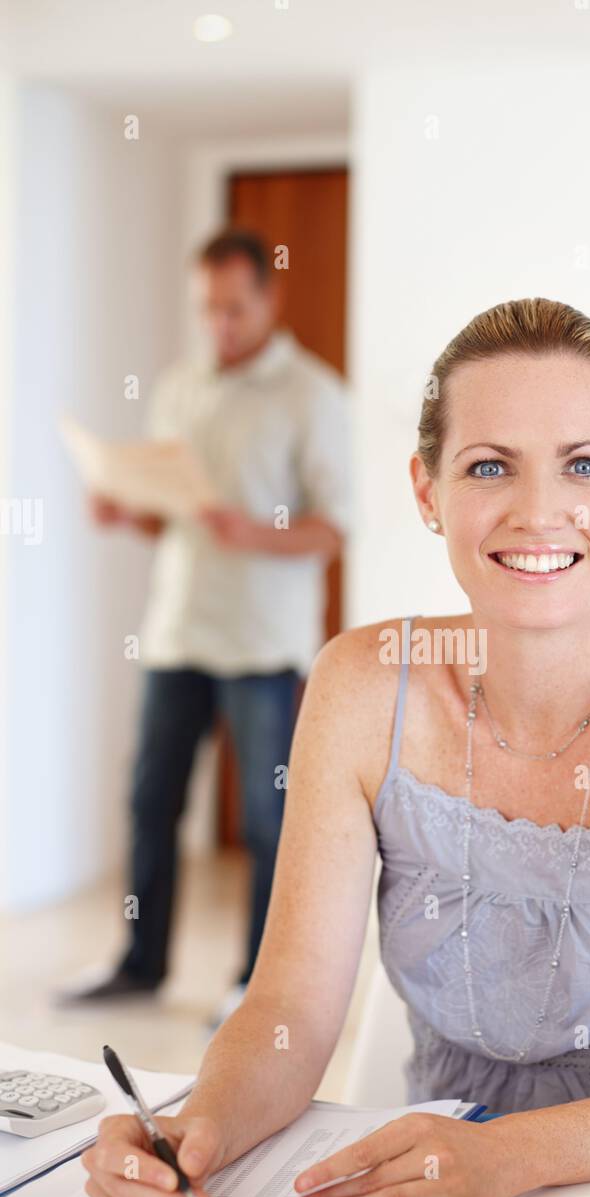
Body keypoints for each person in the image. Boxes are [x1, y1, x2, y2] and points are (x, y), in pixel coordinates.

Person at [82, 297, 590, 1197]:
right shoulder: (358, 686)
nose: (539, 511)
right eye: (488, 467)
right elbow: (289, 1011)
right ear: (428, 492)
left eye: (585, 465)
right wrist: (196, 1132)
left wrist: (506, 1157)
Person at [60, 228, 352, 1025]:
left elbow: (335, 527)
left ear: (269, 297)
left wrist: (254, 531)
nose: (219, 324)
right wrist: (128, 511)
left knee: (267, 821)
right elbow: (171, 519)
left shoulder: (313, 396)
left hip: (264, 645)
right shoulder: (179, 387)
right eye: (206, 309)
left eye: (233, 307)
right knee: (149, 803)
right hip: (176, 634)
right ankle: (138, 963)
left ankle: (255, 985)